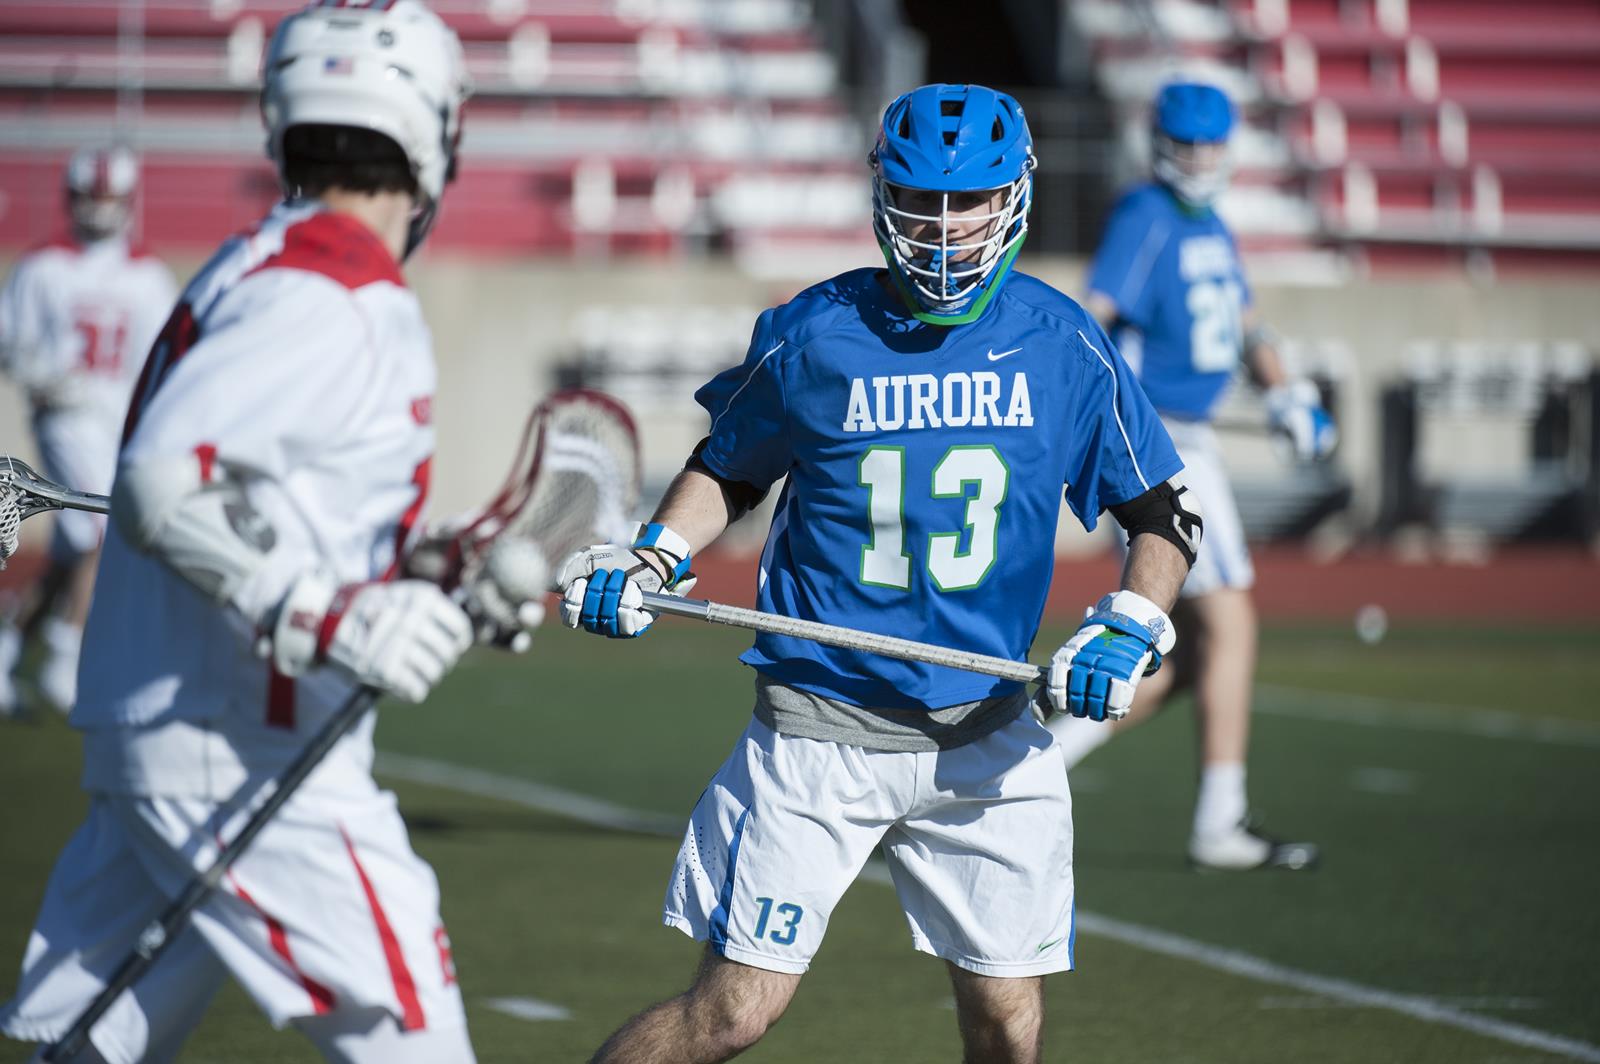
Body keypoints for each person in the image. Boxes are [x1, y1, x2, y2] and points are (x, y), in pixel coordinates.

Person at [556, 83, 1204, 1064]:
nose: (944, 227)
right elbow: (730, 467)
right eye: (920, 201)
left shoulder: (1062, 342)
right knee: (730, 1011)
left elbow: (1162, 514)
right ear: (881, 197)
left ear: (1012, 198)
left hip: (985, 734)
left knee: (1007, 1021)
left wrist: (1129, 619)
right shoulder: (816, 330)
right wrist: (656, 553)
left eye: (969, 200)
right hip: (823, 726)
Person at [0, 4, 540, 1061]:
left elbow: (264, 491)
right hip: (240, 747)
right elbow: (162, 487)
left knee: (93, 1049)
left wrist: (427, 574)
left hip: (168, 734)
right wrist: (328, 613)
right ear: (434, 131)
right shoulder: (334, 291)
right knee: (418, 1042)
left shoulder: (265, 260)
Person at [1044, 79, 1333, 872]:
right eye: (1191, 144)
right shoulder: (1146, 215)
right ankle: (1220, 819)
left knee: (1181, 660)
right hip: (1164, 443)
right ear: (1164, 144)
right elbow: (1092, 312)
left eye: (1214, 145)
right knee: (1231, 620)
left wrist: (1286, 391)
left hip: (1193, 434)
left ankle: (1027, 765)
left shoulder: (1211, 226)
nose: (1203, 159)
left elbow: (1246, 324)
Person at [0, 146, 176, 717]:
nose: (99, 210)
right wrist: (40, 373)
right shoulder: (42, 267)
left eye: (109, 198)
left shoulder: (150, 276)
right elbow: (12, 343)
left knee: (74, 546)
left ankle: (7, 646)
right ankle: (66, 656)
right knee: (103, 528)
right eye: (90, 198)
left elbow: (160, 359)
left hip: (119, 422)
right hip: (65, 418)